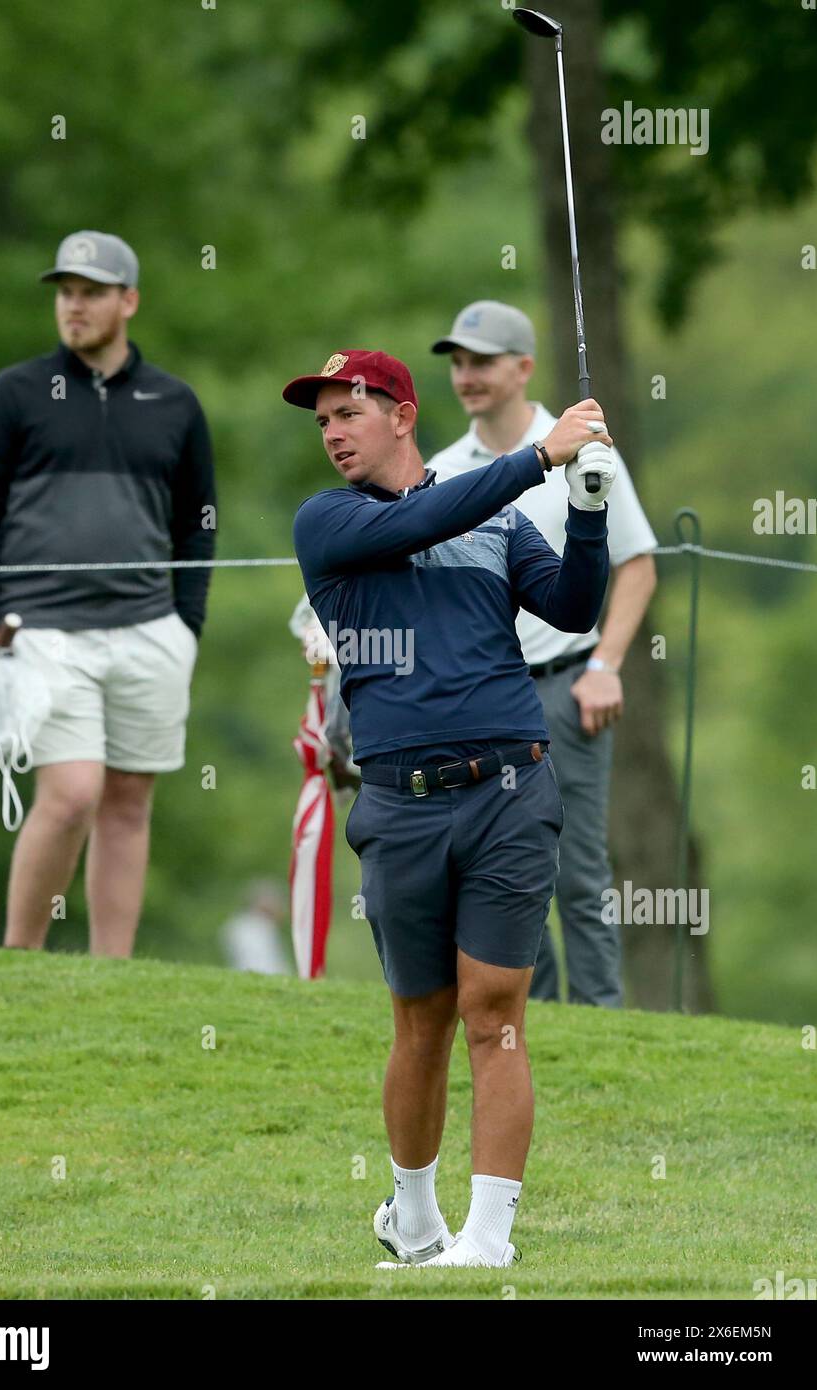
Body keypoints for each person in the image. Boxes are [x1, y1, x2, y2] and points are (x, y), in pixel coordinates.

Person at [286, 348, 614, 1268]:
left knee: (494, 1008)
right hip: (399, 801)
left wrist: (586, 509)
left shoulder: (500, 521)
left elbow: (573, 607)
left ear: (401, 413)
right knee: (421, 1018)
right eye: (321, 423)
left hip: (510, 788)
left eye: (349, 412)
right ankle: (416, 1217)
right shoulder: (329, 524)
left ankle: (490, 1239)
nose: (334, 433)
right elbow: (432, 512)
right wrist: (540, 457)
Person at [0, 230, 216, 957]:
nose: (74, 305)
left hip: (148, 629)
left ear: (128, 301)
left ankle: (111, 977)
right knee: (70, 795)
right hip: (41, 628)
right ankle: (21, 962)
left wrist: (185, 624)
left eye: (91, 292)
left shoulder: (174, 402)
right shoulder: (14, 393)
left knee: (128, 803)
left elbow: (200, 521)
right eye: (66, 292)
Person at [428, 302, 657, 1007]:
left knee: (578, 873)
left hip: (566, 687)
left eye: (482, 362)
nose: (466, 376)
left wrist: (605, 666)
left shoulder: (583, 446)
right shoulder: (444, 470)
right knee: (504, 869)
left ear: (523, 367)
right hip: (484, 700)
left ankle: (601, 1021)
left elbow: (637, 565)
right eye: (458, 363)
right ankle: (539, 1020)